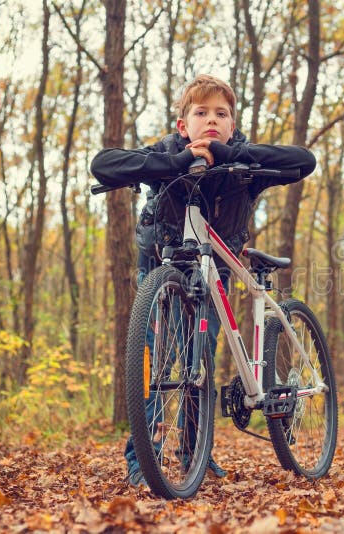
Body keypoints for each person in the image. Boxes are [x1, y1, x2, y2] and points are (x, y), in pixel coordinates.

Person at [90, 74, 316, 488]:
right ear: (183, 126)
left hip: (215, 271)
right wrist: (175, 164)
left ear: (232, 124)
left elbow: (303, 159)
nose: (211, 119)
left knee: (202, 358)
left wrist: (230, 155)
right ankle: (144, 458)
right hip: (162, 264)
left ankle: (196, 453)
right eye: (200, 112)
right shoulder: (166, 152)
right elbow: (103, 163)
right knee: (153, 357)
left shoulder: (244, 159)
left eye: (221, 114)